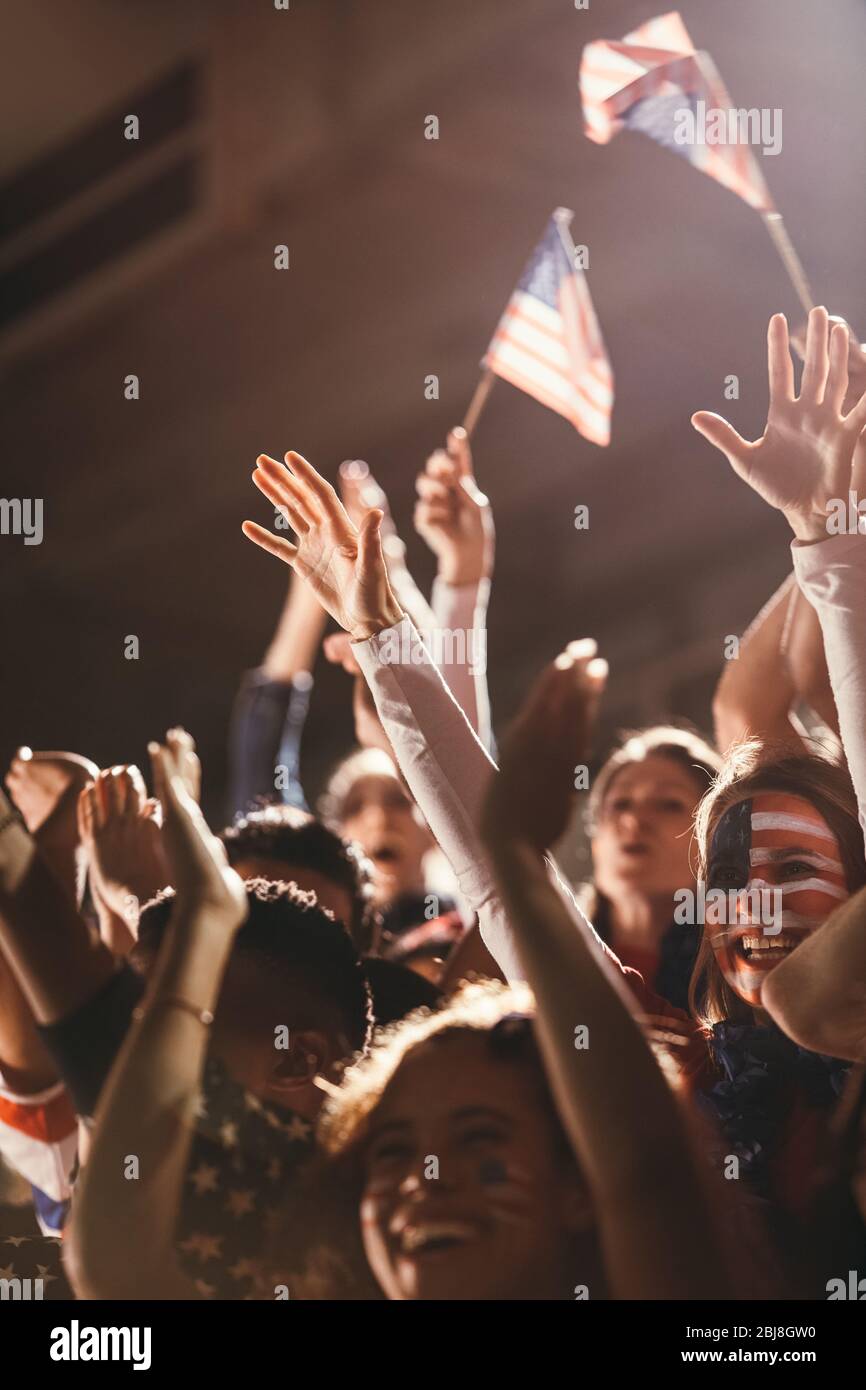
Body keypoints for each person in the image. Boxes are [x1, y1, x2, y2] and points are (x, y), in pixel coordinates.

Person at [296, 647, 741, 1301]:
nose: (429, 1178)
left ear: (578, 1187)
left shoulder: (706, 1007)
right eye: (390, 1151)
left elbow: (495, 870)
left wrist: (394, 643)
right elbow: (494, 876)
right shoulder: (494, 972)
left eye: (481, 1140)